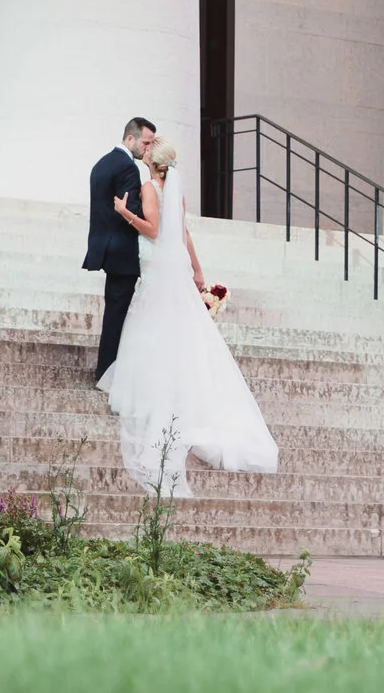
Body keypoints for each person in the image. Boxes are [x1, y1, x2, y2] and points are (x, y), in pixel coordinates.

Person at [98, 133, 279, 497]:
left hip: (157, 263)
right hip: (177, 262)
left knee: (150, 320)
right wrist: (197, 269)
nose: (144, 152)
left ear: (153, 160)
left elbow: (152, 230)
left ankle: (151, 384)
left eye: (148, 149)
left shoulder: (150, 187)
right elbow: (183, 233)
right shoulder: (175, 191)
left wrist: (125, 213)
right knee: (178, 323)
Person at [83, 117, 153, 381]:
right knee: (117, 315)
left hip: (106, 248)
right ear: (130, 138)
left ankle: (107, 370)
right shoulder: (128, 168)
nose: (147, 149)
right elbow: (131, 211)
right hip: (122, 253)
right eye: (145, 143)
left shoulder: (101, 163)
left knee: (114, 313)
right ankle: (107, 373)